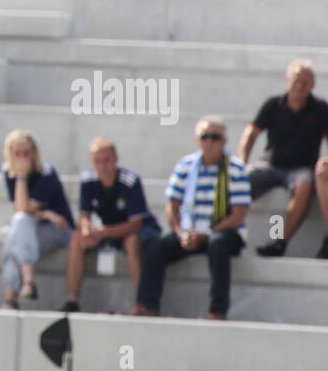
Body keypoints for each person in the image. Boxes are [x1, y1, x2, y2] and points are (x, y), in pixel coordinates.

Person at [133, 118, 251, 320]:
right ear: (198, 140)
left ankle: (217, 310)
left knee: (218, 245)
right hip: (189, 232)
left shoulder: (236, 169)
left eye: (215, 137)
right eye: (205, 137)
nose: (210, 142)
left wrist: (206, 235)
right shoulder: (186, 166)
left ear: (224, 141)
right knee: (156, 247)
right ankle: (147, 305)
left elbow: (238, 214)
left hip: (222, 233)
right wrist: (181, 234)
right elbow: (172, 205)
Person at [237, 60, 328, 258]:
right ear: (288, 81)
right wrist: (241, 162)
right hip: (269, 165)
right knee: (237, 181)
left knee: (304, 186)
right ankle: (228, 233)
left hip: (302, 169)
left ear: (312, 85)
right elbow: (250, 134)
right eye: (297, 80)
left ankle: (279, 241)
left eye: (305, 82)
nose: (300, 86)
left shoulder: (321, 110)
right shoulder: (273, 105)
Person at [63, 138, 160, 312]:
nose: (103, 166)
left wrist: (103, 232)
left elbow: (136, 224)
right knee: (78, 239)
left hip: (139, 230)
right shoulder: (88, 180)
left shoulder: (130, 181)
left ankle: (143, 303)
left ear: (116, 159)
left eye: (107, 160)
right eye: (97, 161)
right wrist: (86, 230)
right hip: (109, 231)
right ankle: (72, 300)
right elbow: (84, 214)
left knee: (132, 242)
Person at [0, 130, 73, 309]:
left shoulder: (46, 172)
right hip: (34, 226)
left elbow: (23, 206)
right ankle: (28, 282)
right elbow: (22, 208)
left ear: (35, 153)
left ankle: (11, 298)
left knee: (15, 236)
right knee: (19, 226)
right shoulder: (8, 171)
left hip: (59, 230)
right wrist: (47, 213)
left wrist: (22, 177)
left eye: (27, 153)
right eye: (17, 153)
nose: (22, 158)